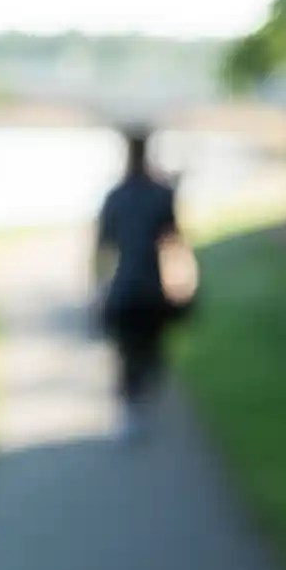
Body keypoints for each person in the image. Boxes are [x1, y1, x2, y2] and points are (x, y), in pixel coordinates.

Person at [94, 126, 192, 440]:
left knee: (132, 353)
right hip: (149, 289)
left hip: (128, 288)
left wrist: (99, 288)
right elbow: (174, 243)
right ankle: (137, 406)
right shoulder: (159, 195)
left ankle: (132, 409)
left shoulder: (117, 196)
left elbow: (101, 249)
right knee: (146, 353)